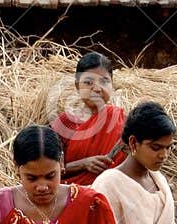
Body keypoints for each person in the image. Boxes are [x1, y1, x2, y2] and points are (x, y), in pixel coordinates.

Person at [51, 52, 125, 187]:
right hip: (73, 192)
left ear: (112, 84)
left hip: (114, 190)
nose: (97, 88)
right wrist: (84, 164)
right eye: (88, 82)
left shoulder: (121, 121)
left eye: (104, 81)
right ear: (77, 86)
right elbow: (50, 168)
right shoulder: (65, 123)